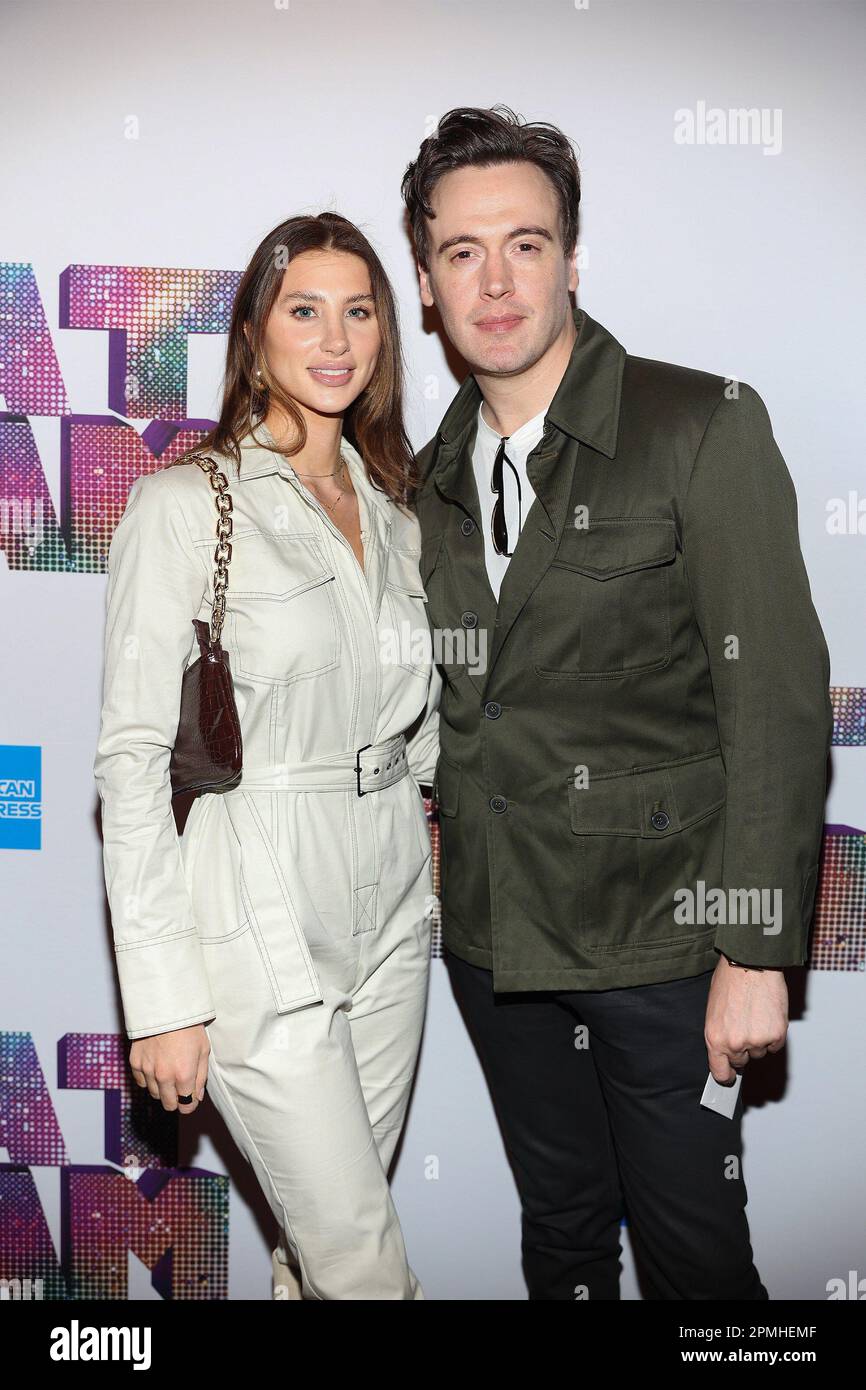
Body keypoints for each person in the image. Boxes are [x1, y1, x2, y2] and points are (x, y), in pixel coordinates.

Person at [401, 105, 832, 1300]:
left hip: (665, 948)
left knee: (698, 1261)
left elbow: (778, 707)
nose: (494, 280)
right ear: (426, 283)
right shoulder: (427, 480)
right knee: (565, 1235)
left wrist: (754, 949)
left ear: (572, 259)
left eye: (524, 243)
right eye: (459, 252)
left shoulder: (697, 426)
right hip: (497, 944)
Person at [93, 212, 441, 1300]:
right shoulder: (182, 505)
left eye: (358, 310)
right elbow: (134, 765)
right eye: (303, 309)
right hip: (254, 889)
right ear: (253, 333)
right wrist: (161, 1001)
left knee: (324, 1244)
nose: (333, 337)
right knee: (363, 1264)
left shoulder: (393, 516)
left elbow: (414, 730)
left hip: (390, 890)